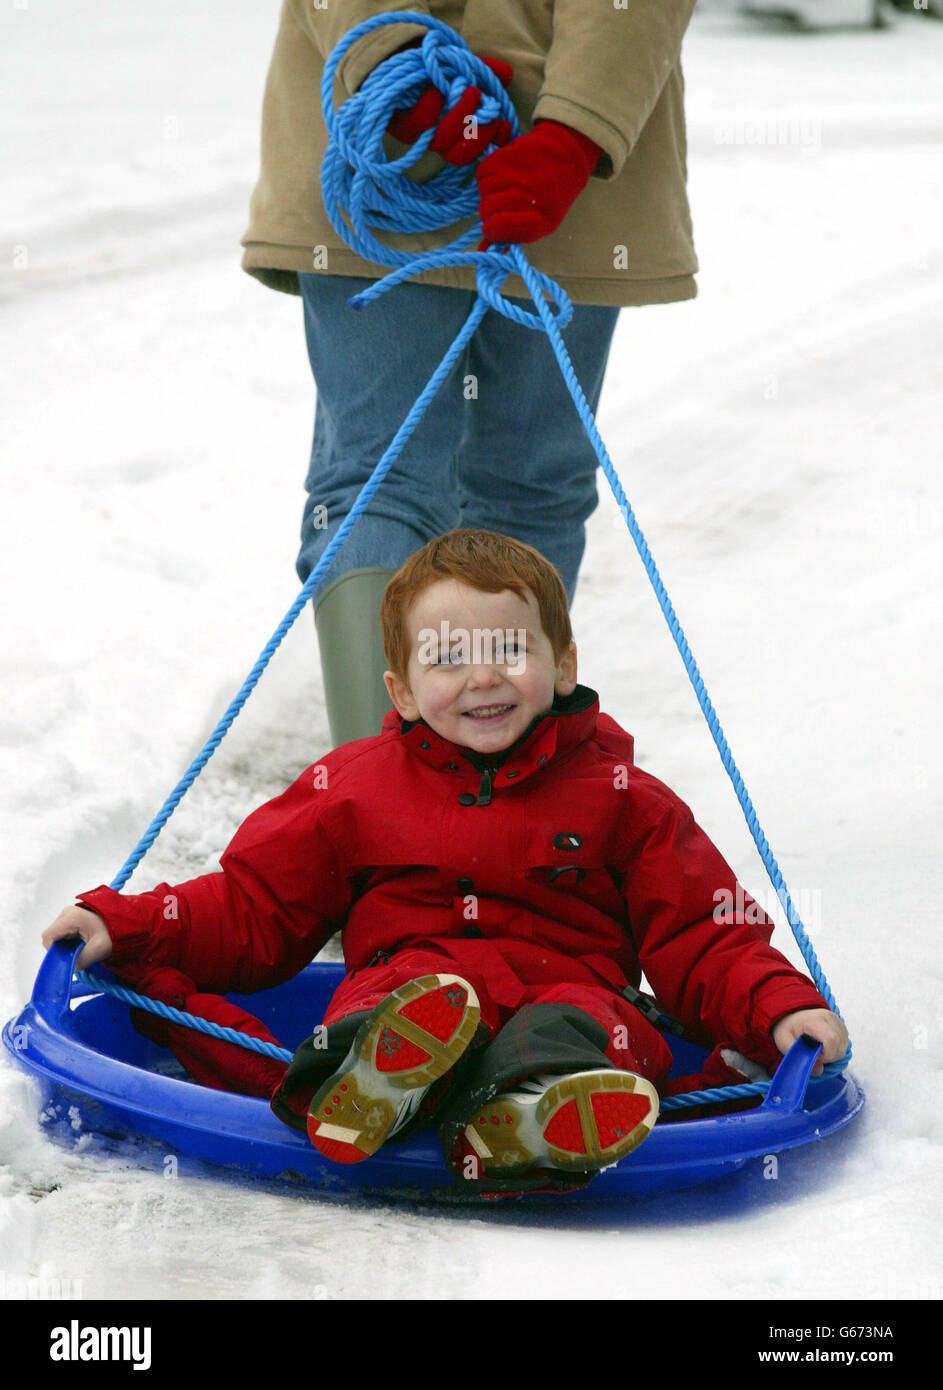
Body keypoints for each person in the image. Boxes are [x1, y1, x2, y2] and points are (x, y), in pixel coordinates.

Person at [43, 530, 848, 1195]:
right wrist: (131, 922)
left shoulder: (621, 797)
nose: (483, 675)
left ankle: (535, 1114)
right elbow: (255, 904)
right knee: (410, 1002)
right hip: (415, 983)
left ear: (562, 665)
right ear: (399, 690)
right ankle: (375, 1078)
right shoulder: (353, 789)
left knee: (577, 1028)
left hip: (569, 991)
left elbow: (705, 934)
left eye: (508, 647)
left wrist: (775, 1007)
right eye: (448, 658)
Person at [239, 2, 701, 745]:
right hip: (542, 180)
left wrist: (398, 68)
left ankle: (383, 797)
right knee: (525, 487)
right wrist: (574, 129)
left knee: (378, 486)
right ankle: (477, 805)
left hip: (392, 154)